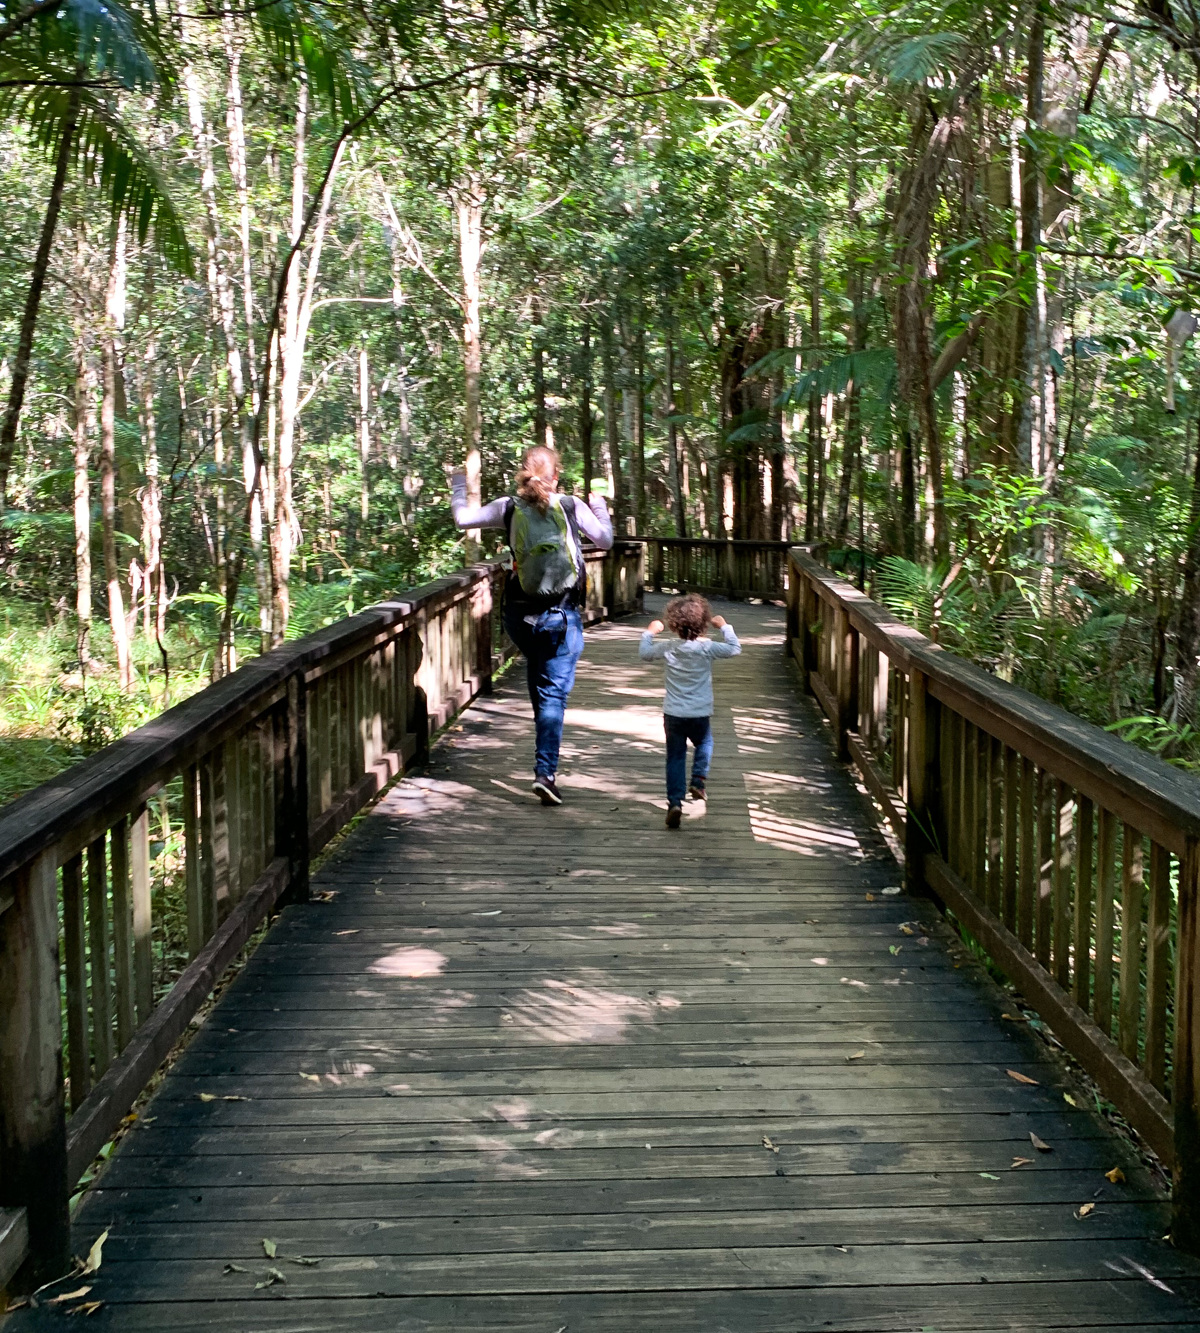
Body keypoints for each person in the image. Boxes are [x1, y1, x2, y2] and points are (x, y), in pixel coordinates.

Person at [451, 446, 612, 806]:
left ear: (522, 473)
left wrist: (459, 482)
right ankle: (545, 774)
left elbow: (463, 519)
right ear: (556, 476)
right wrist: (599, 505)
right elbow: (605, 540)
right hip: (561, 616)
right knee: (553, 691)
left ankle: (544, 753)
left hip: (519, 617)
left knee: (541, 674)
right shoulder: (571, 506)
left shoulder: (508, 508)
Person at [639, 593, 741, 828]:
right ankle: (698, 779)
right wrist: (724, 626)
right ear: (703, 622)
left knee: (675, 757)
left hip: (673, 713)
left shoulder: (668, 647)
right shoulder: (708, 648)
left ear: (674, 623)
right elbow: (735, 649)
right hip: (699, 713)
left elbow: (645, 653)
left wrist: (650, 632)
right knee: (704, 744)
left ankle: (675, 802)